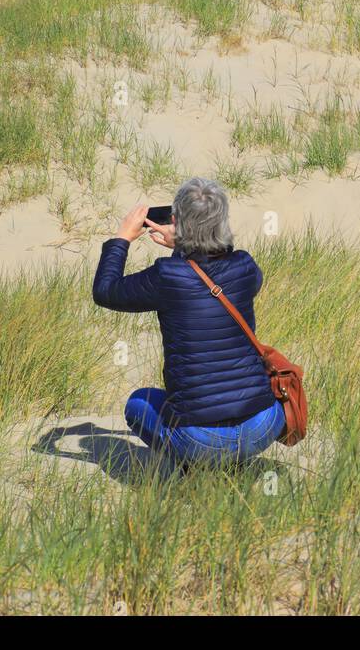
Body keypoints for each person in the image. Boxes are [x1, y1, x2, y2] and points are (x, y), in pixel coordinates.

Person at [92, 177, 285, 467]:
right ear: (223, 221)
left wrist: (122, 239)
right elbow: (216, 268)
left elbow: (105, 292)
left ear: (175, 220)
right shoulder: (246, 267)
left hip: (201, 439)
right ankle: (233, 462)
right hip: (264, 426)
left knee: (138, 404)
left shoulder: (166, 276)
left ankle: (194, 466)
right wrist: (187, 243)